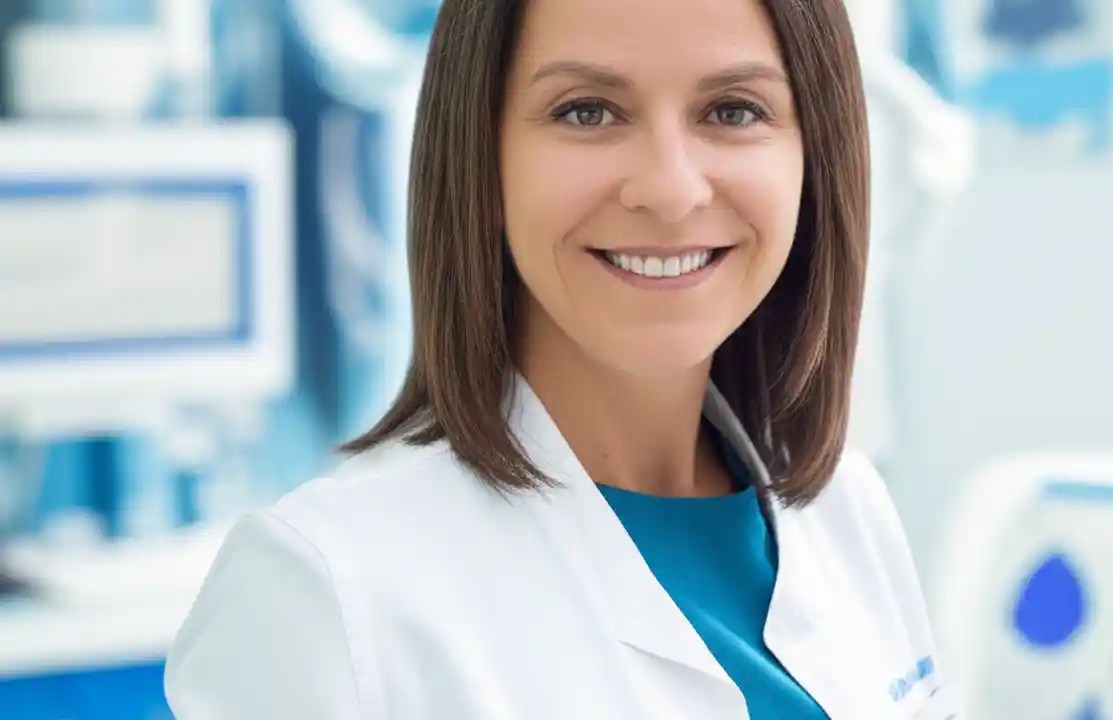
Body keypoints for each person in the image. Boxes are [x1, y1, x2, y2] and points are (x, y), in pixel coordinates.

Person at [164, 0, 959, 717]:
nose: (670, 189)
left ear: (814, 156)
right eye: (587, 111)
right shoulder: (326, 590)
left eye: (732, 109)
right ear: (480, 156)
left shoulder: (846, 509)